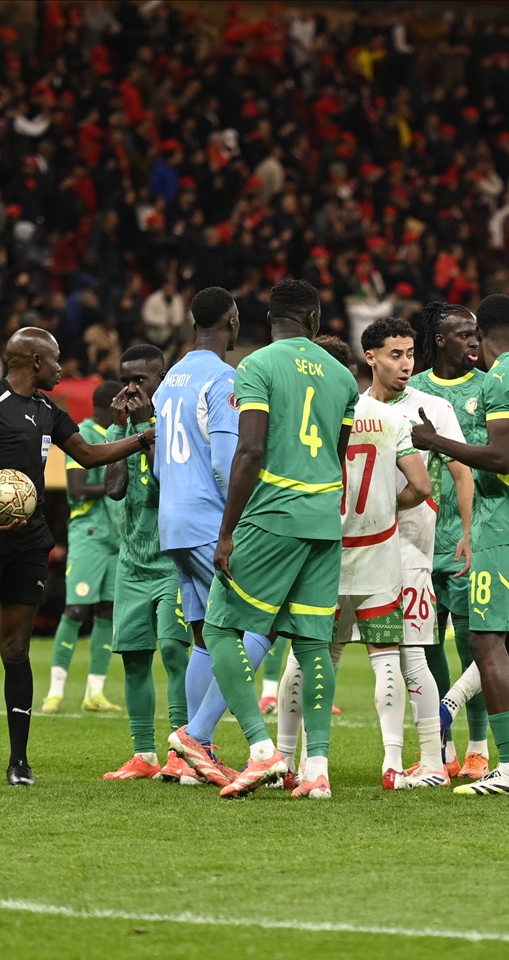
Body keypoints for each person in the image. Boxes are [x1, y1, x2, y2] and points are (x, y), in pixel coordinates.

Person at [0, 327, 153, 787]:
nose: (61, 368)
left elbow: (87, 455)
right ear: (32, 362)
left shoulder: (49, 410)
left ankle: (19, 762)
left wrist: (142, 439)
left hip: (29, 545)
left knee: (16, 650)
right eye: (55, 360)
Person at [196, 278, 359, 799]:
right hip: (322, 522)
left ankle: (262, 752)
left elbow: (250, 451)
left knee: (220, 628)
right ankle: (317, 771)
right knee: (313, 645)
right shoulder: (342, 375)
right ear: (313, 320)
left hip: (271, 516)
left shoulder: (257, 366)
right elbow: (338, 454)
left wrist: (226, 532)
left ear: (270, 321)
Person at [276, 329, 436, 789]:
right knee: (386, 657)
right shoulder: (389, 418)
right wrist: (388, 505)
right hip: (379, 554)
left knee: (307, 658)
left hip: (323, 553)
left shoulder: (308, 418)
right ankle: (391, 764)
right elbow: (422, 488)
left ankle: (289, 763)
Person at [411, 294, 509, 797]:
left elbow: (499, 457)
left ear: (486, 332)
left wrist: (436, 443)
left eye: (474, 333)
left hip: (502, 524)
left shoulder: (498, 379)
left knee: (485, 641)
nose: (470, 343)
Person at [156, 286, 273, 788]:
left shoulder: (168, 380)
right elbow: (229, 464)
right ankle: (195, 735)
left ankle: (189, 760)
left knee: (206, 635)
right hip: (210, 522)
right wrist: (238, 525)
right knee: (260, 622)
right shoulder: (225, 378)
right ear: (232, 320)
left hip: (173, 522)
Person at [359, 317, 471, 785]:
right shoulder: (355, 408)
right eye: (395, 355)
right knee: (337, 652)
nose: (406, 365)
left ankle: (433, 760)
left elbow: (462, 472)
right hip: (362, 551)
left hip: (410, 549)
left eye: (410, 355)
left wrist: (468, 531)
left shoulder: (434, 408)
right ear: (371, 358)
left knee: (413, 655)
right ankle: (309, 759)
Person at [101, 345, 196, 783]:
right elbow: (115, 488)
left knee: (176, 652)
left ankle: (182, 749)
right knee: (134, 658)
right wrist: (123, 431)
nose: (131, 387)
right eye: (127, 379)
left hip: (174, 560)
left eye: (141, 380)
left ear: (162, 379)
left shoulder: (175, 425)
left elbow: (168, 481)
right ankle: (144, 754)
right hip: (132, 562)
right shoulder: (118, 428)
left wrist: (142, 426)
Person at [411, 303, 493, 780]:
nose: (475, 342)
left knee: (472, 642)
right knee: (423, 646)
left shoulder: (489, 388)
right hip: (421, 538)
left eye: (477, 334)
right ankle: (441, 748)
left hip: (473, 534)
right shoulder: (414, 387)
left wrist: (468, 530)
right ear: (440, 340)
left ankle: (479, 748)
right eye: (464, 335)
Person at [42, 381, 123, 714]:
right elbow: (76, 488)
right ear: (111, 404)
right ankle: (55, 692)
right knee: (76, 610)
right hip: (88, 534)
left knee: (107, 611)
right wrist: (115, 483)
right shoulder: (83, 434)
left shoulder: (121, 435)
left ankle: (95, 693)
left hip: (117, 536)